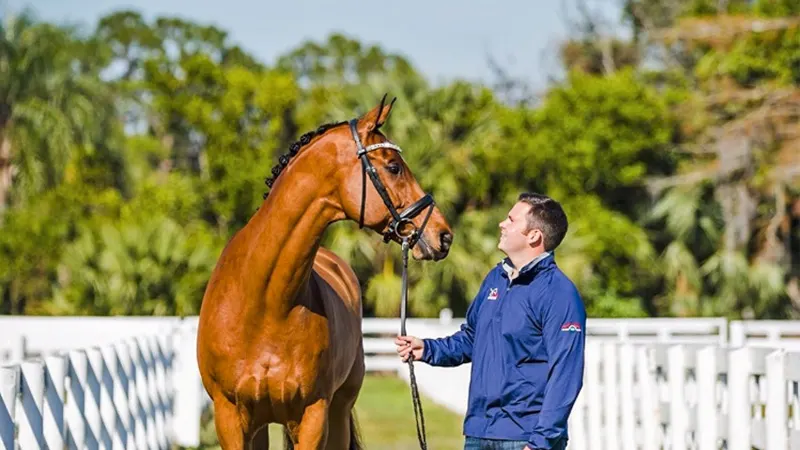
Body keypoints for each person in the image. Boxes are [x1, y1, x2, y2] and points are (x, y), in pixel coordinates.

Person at [395, 192, 586, 450]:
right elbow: (472, 338)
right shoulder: (496, 278)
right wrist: (428, 349)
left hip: (525, 440)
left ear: (534, 236)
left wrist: (541, 443)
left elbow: (566, 373)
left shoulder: (559, 293)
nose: (502, 224)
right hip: (478, 433)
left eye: (511, 220)